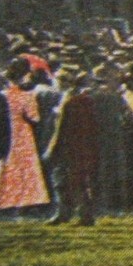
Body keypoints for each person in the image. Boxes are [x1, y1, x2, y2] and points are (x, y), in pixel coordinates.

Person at [45, 67, 101, 227]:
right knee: (79, 181)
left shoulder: (69, 101)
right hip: (83, 147)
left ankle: (68, 213)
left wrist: (51, 148)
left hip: (67, 147)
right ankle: (81, 213)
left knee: (63, 180)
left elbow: (60, 129)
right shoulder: (86, 100)